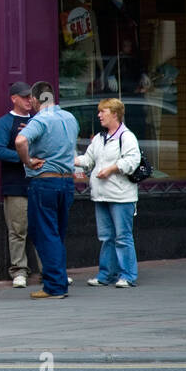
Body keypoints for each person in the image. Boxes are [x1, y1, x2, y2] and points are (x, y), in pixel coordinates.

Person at [15, 81, 80, 299]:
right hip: (67, 182)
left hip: (45, 182)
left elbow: (20, 140)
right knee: (58, 233)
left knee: (44, 233)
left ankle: (54, 286)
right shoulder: (70, 118)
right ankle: (59, 280)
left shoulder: (40, 119)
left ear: (35, 99)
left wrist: (28, 161)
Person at [75, 98, 141, 288]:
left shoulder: (127, 137)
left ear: (114, 114)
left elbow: (132, 161)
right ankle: (106, 275)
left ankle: (128, 275)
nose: (99, 115)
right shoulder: (99, 138)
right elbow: (88, 160)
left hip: (121, 196)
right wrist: (68, 159)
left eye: (103, 111)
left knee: (122, 236)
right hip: (101, 195)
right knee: (106, 237)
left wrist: (112, 169)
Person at [0, 82, 37, 288]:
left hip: (40, 183)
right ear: (14, 98)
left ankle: (51, 270)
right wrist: (25, 158)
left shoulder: (39, 120)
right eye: (24, 97)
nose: (29, 100)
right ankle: (19, 270)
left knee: (43, 228)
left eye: (31, 97)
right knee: (18, 229)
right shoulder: (5, 122)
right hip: (16, 184)